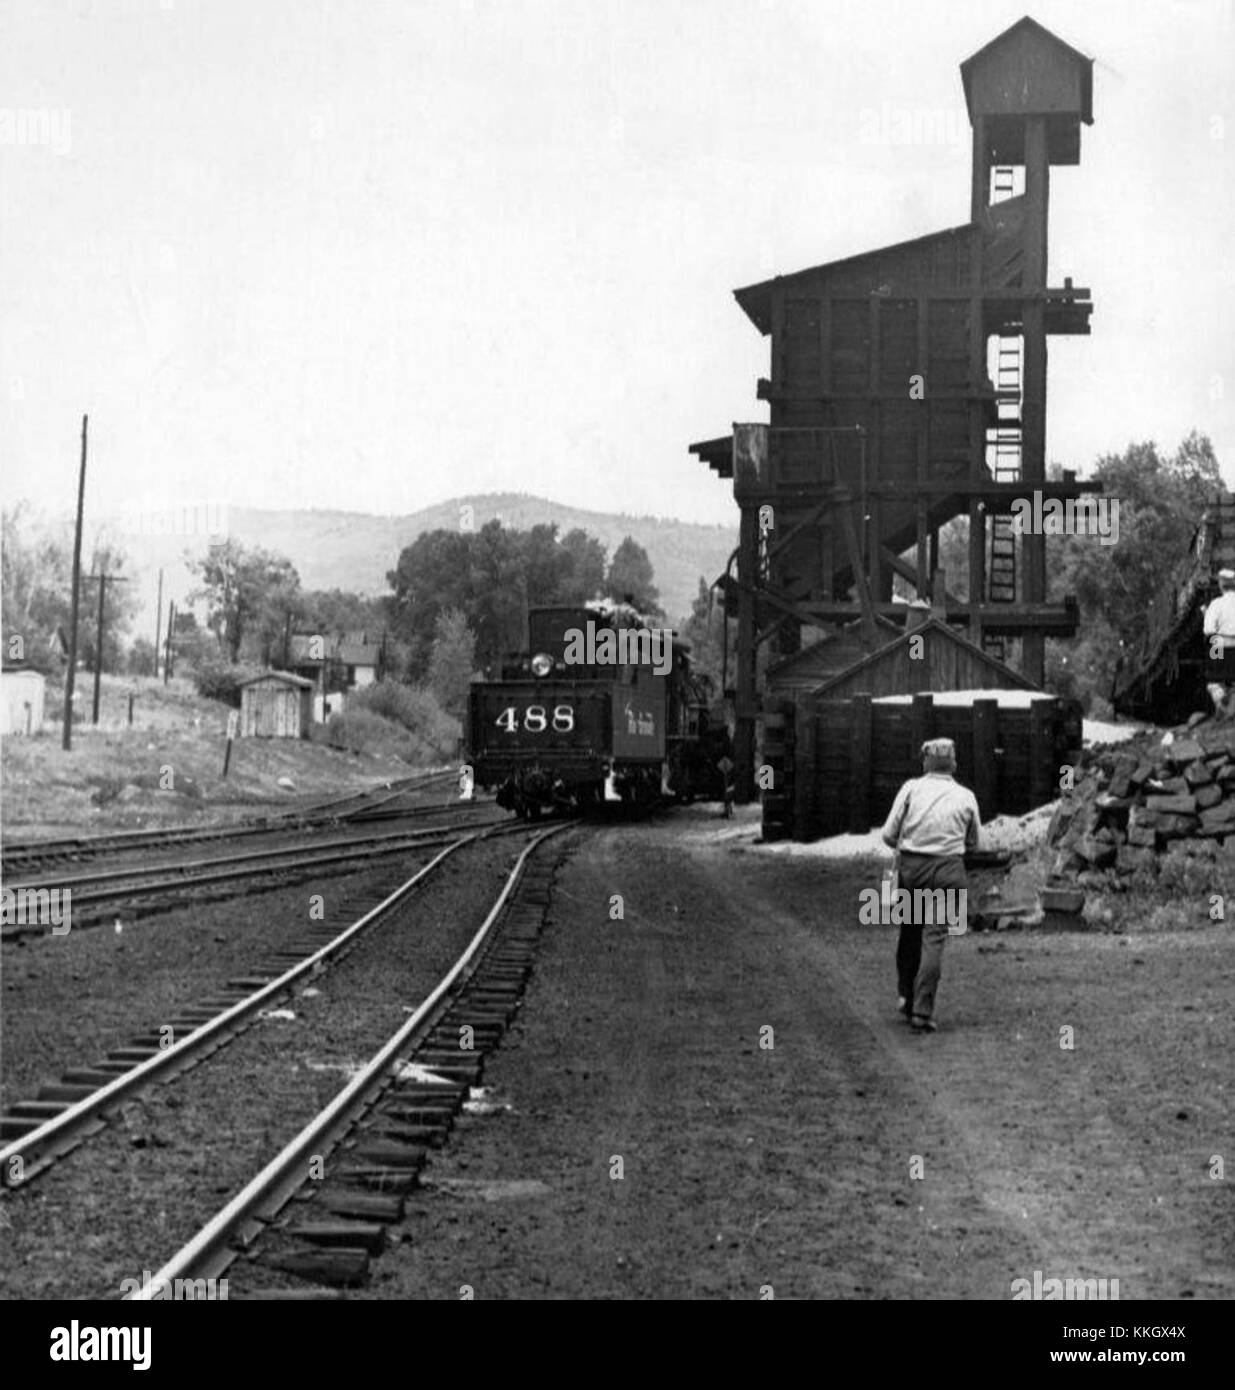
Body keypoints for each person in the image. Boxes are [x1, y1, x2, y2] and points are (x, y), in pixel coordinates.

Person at [880, 737, 980, 1033]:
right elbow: (975, 841)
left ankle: (906, 997)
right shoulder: (966, 796)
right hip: (949, 871)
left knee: (910, 933)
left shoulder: (910, 789)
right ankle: (923, 1011)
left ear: (926, 762)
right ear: (953, 764)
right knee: (933, 939)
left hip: (912, 871)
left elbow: (888, 835)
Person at [1202, 569, 1235, 716]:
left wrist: (1205, 614)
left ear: (1221, 585)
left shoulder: (1216, 604)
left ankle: (1222, 704)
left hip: (1220, 645)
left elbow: (1209, 630)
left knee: (1214, 681)